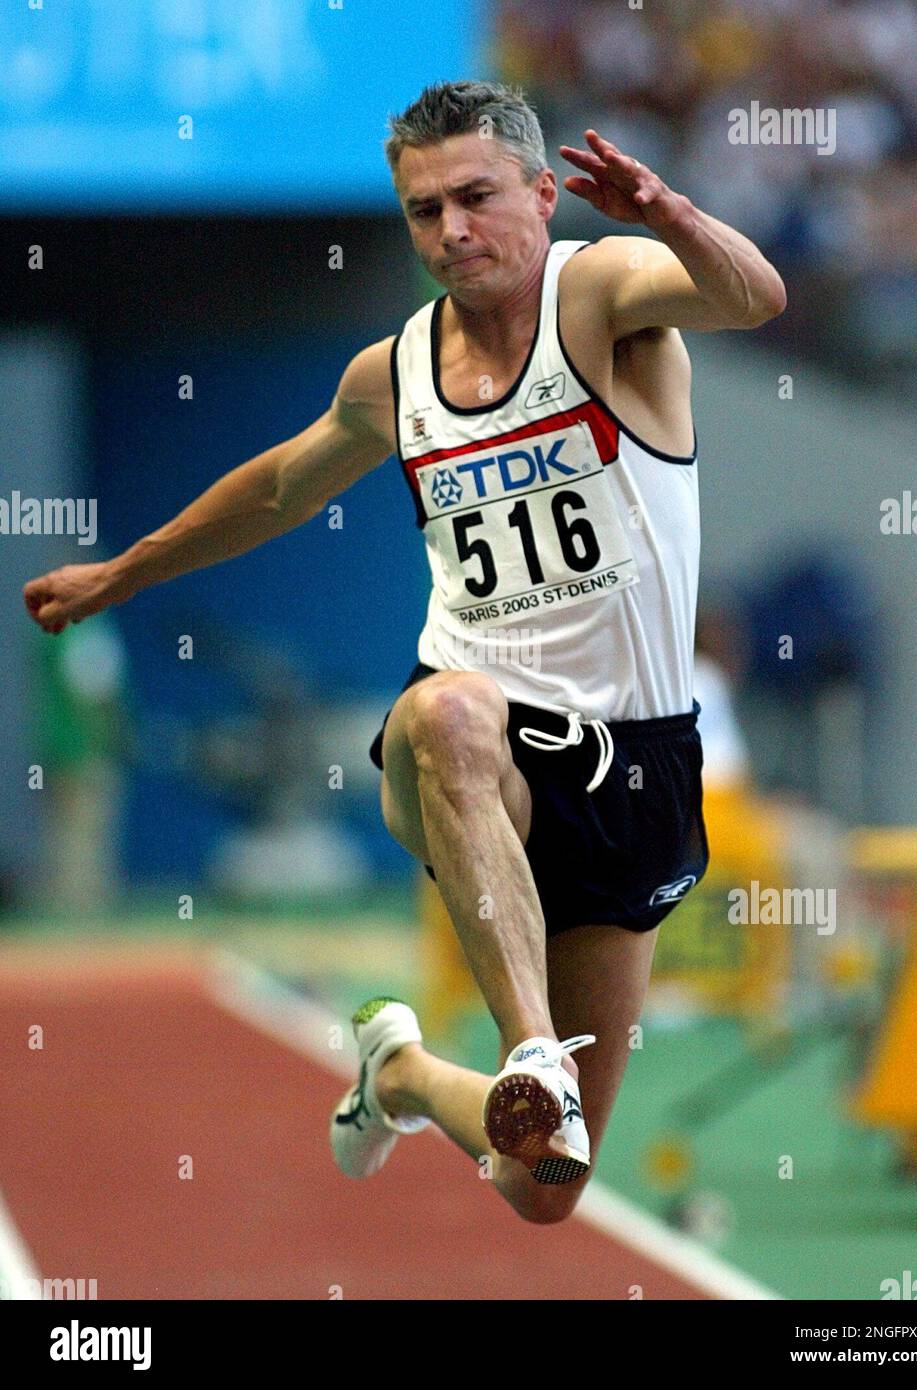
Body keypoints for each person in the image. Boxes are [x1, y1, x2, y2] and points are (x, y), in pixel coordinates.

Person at [23, 80, 785, 1225]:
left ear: (541, 194)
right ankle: (531, 1051)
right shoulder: (394, 375)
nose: (450, 233)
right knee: (447, 717)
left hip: (634, 764)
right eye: (423, 211)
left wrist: (669, 213)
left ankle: (404, 1073)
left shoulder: (606, 297)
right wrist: (120, 574)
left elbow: (755, 297)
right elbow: (280, 486)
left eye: (475, 198)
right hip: (479, 742)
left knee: (545, 1185)